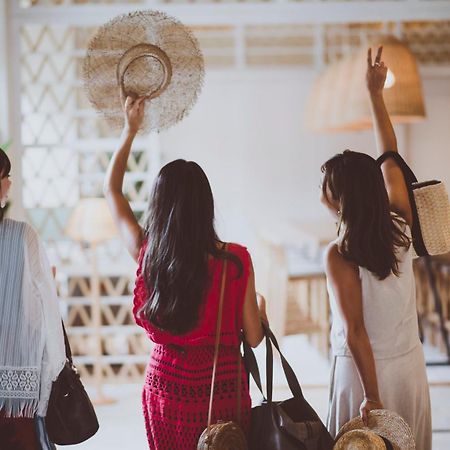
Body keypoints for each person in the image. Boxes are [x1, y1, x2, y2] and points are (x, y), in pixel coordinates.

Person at [104, 96, 267, 450]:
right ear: (205, 205)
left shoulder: (149, 255)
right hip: (221, 390)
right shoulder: (236, 261)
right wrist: (260, 307)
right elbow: (254, 338)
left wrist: (130, 130)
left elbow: (112, 190)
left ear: (158, 206)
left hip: (167, 389)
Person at [321, 47, 431, 449]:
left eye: (326, 187)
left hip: (366, 375)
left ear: (342, 196)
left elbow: (355, 331)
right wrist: (376, 94)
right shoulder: (400, 227)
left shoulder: (339, 253)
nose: (321, 195)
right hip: (408, 366)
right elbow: (390, 155)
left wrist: (372, 396)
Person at [0, 148, 66, 450]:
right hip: (15, 394)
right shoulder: (22, 237)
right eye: (6, 177)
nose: (9, 184)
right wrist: (55, 369)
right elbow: (47, 314)